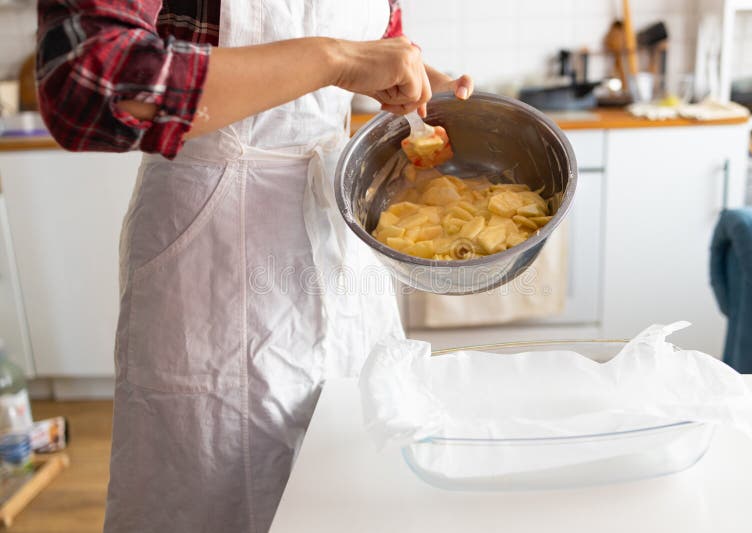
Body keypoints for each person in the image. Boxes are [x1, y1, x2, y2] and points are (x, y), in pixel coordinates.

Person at [35, 1, 473, 532]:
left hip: (334, 247)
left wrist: (414, 79)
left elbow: (376, 40)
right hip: (211, 252)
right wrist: (330, 60)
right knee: (214, 494)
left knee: (345, 486)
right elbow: (90, 81)